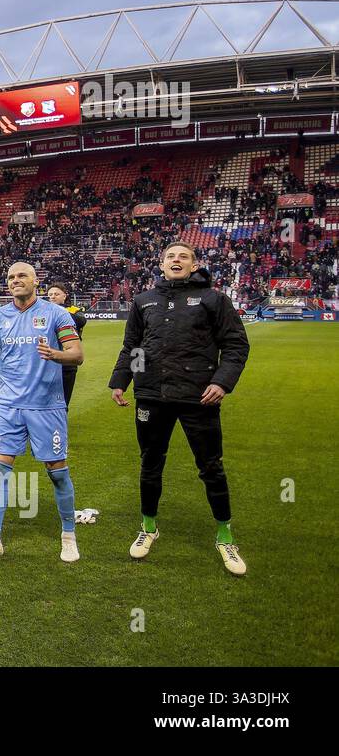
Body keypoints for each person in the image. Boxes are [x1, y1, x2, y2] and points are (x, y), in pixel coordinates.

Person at [108, 241, 250, 576]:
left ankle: (225, 536)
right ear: (160, 264)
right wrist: (122, 380)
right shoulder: (144, 301)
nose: (176, 260)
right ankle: (148, 527)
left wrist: (222, 381)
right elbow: (133, 345)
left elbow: (235, 344)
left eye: (183, 256)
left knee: (210, 466)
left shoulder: (214, 299)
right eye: (170, 256)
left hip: (198, 397)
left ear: (194, 263)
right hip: (151, 396)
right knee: (150, 463)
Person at [0, 261, 84, 564]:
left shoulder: (55, 314)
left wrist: (55, 354)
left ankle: (68, 536)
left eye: (22, 275)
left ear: (36, 282)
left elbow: (77, 355)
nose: (15, 280)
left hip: (47, 406)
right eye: (10, 277)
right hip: (8, 406)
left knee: (57, 473)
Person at [46, 280, 87, 405]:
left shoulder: (73, 310)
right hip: (48, 359)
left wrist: (59, 312)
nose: (53, 297)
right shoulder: (44, 310)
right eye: (50, 295)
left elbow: (81, 320)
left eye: (56, 294)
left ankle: (61, 420)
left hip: (67, 359)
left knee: (63, 400)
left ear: (64, 295)